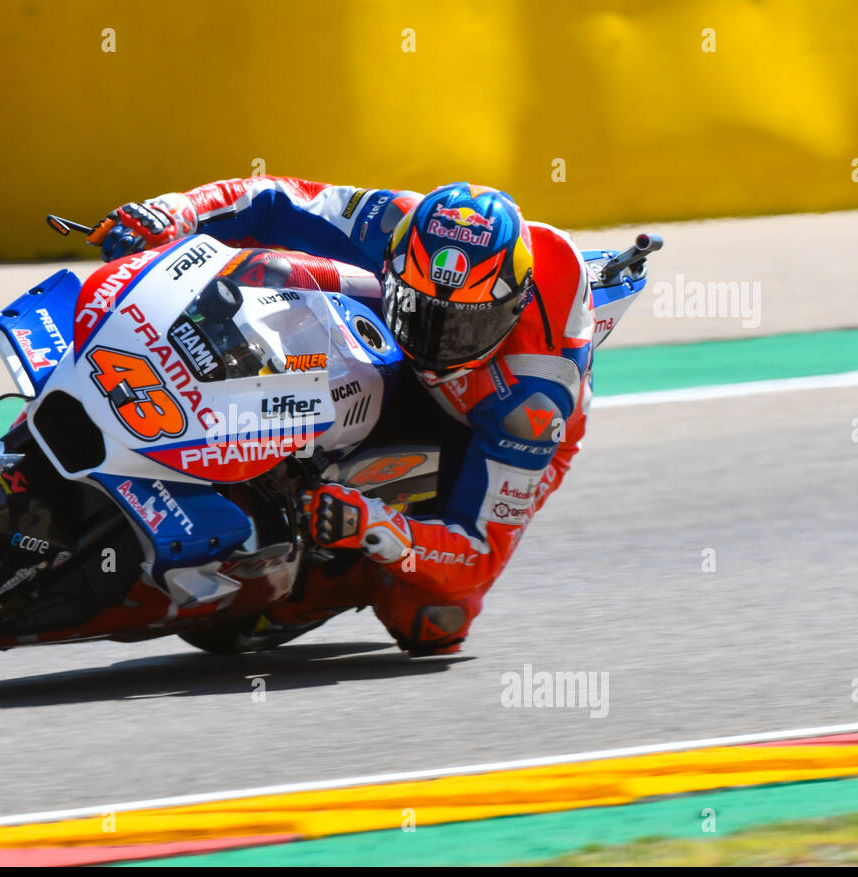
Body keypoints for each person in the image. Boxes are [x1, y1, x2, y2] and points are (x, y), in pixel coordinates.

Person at [87, 178, 596, 657]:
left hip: (478, 411)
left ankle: (328, 583)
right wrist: (174, 212)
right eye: (423, 311)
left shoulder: (532, 403)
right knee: (273, 271)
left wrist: (372, 526)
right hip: (385, 322)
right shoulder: (398, 220)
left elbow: (477, 552)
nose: (436, 344)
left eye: (459, 328)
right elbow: (273, 200)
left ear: (511, 308)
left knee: (431, 617)